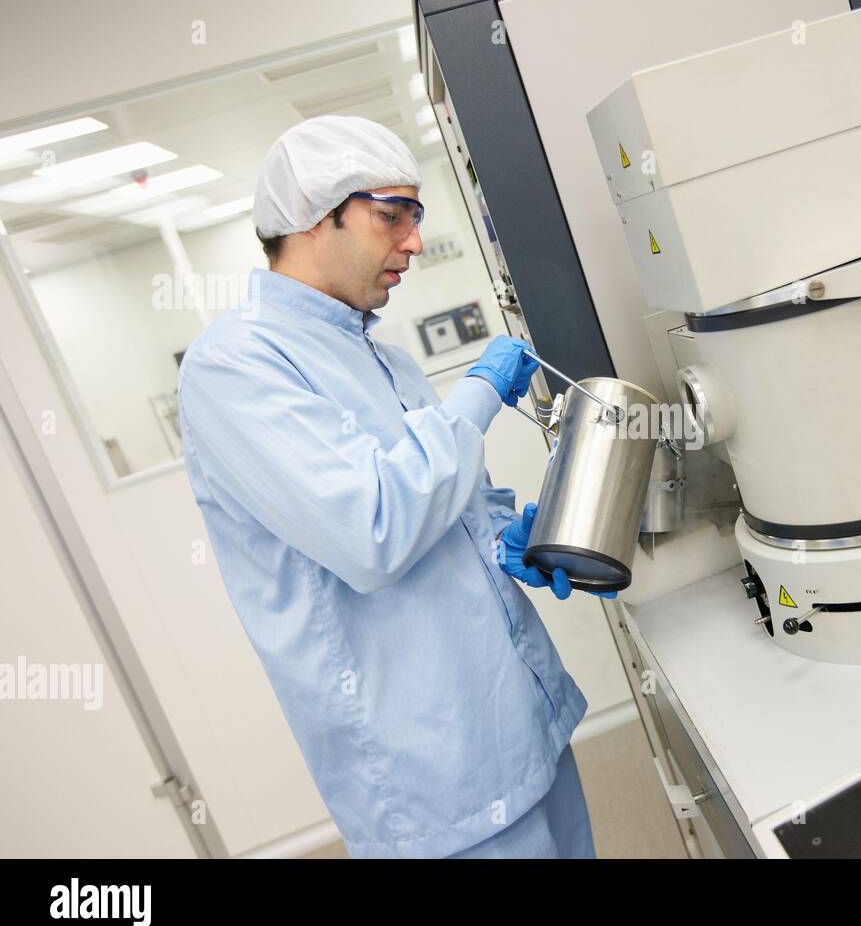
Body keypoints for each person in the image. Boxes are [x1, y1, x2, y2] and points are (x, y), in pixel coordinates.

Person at [177, 115, 599, 858]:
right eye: (390, 214)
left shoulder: (386, 358)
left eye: (416, 215)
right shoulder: (234, 367)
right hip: (443, 781)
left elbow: (443, 502)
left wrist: (509, 538)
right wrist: (480, 391)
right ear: (315, 218)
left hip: (525, 721)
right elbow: (372, 529)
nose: (412, 240)